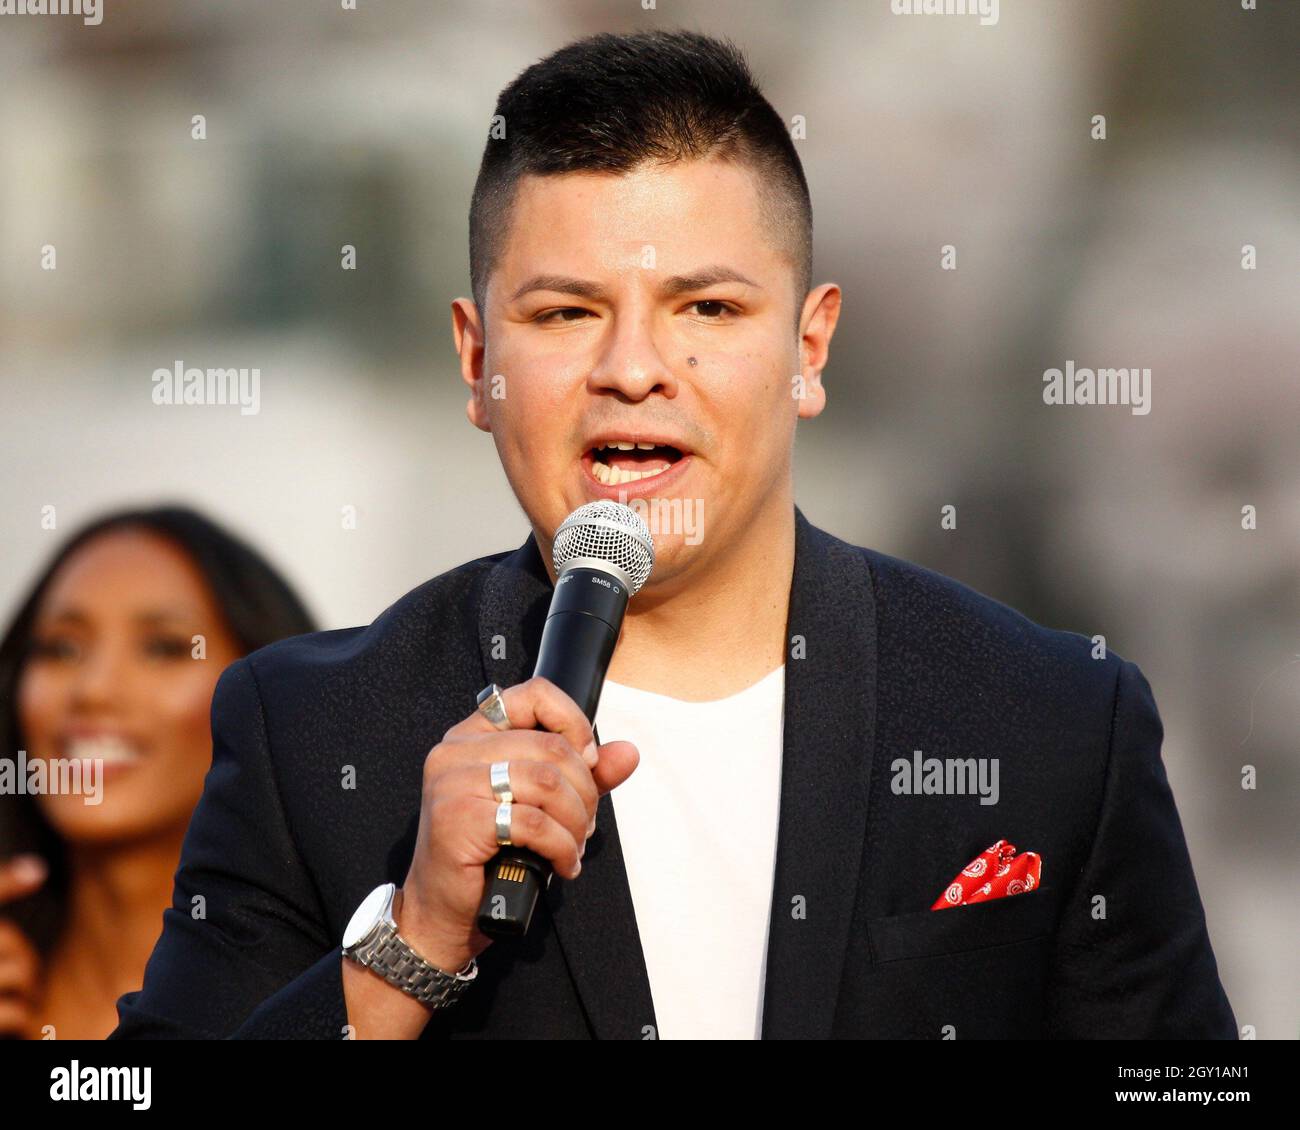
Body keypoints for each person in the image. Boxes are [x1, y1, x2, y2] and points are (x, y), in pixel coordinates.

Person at [110, 29, 1235, 1040]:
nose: (633, 370)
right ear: (475, 360)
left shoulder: (1047, 717)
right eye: (565, 313)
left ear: (809, 347)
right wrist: (408, 947)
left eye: (707, 308)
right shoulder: (312, 732)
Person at [0, 506, 316, 1039]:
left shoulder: (354, 991)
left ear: (268, 694)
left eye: (162, 648)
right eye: (61, 647)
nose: (93, 690)